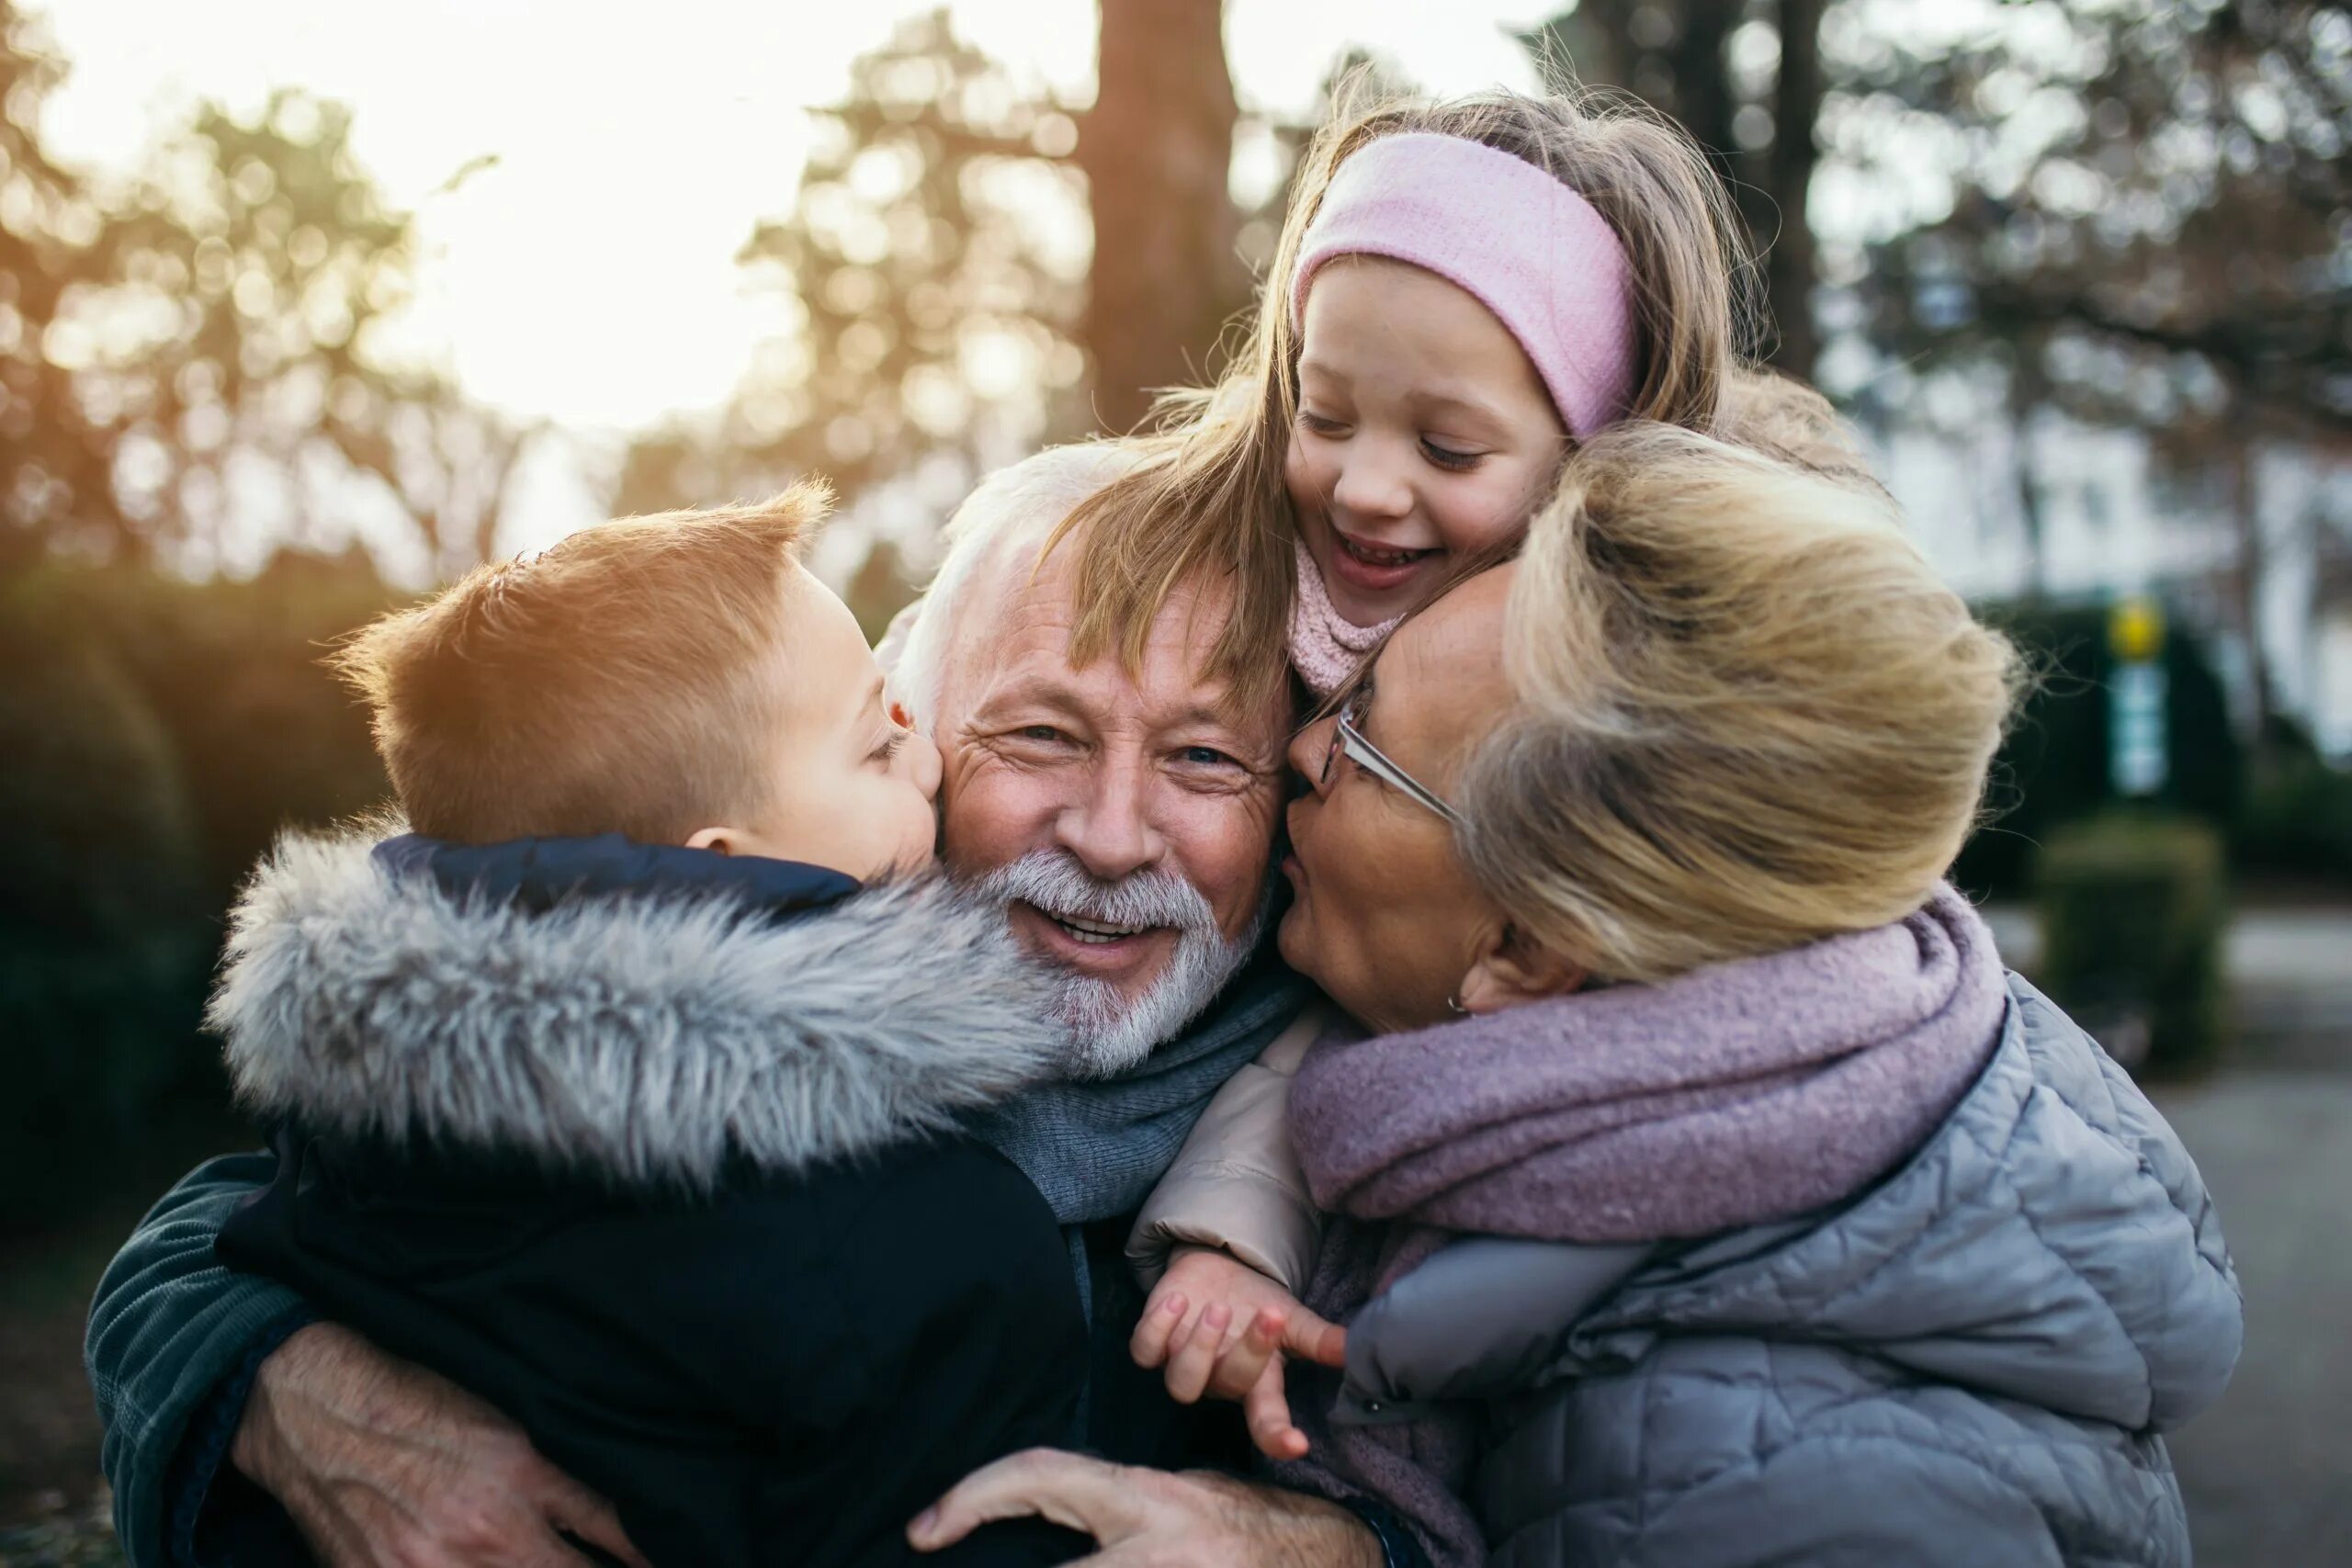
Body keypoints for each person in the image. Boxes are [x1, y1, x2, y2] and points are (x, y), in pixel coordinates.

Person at [925, 426, 2245, 1566]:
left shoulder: (1794, 1466)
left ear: (1526, 955)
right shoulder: (1645, 1128)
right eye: (1038, 730)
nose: (1306, 748)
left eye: (1361, 733)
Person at [85, 446, 1399, 1568]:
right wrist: (266, 1371)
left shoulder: (1385, 1101)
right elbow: (240, 1217)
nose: (1114, 838)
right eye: (1041, 734)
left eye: (1204, 756)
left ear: (1293, 792)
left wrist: (1325, 1542)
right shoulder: (608, 1023)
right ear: (920, 729)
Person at [177, 489, 1094, 1567]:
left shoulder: (352, 1138)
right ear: (718, 871)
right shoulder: (942, 1247)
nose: (930, 756)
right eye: (874, 747)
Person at [1043, 76, 1755, 715]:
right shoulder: (1156, 587)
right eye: (1324, 417)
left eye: (1449, 450)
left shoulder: (1639, 730)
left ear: (1592, 460)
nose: (1365, 490)